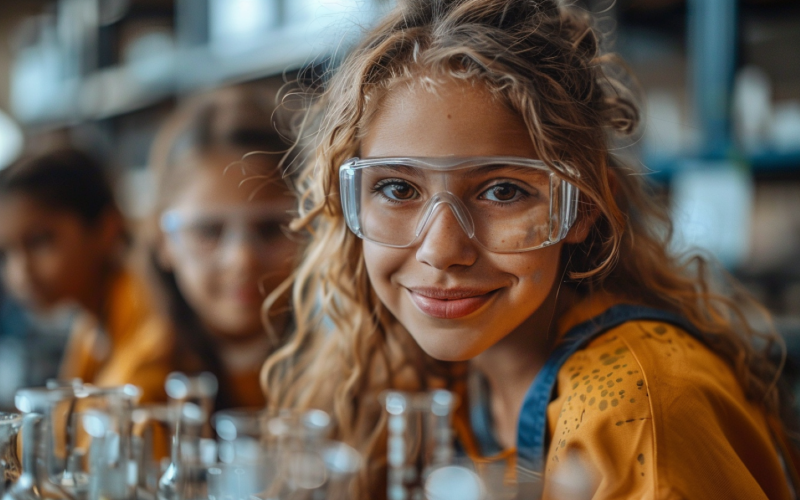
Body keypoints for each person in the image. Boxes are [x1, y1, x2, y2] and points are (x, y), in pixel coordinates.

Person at [261, 1, 800, 498]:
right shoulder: (429, 377)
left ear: (585, 206)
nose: (443, 250)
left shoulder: (635, 405)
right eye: (398, 189)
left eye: (502, 191)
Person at [145, 85, 298, 411]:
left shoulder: (352, 375)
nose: (242, 259)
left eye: (270, 229)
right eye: (208, 231)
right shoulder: (141, 391)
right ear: (163, 241)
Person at [0, 148, 171, 402]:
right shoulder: (90, 325)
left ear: (106, 228)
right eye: (5, 254)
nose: (20, 271)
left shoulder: (153, 316)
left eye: (39, 241)